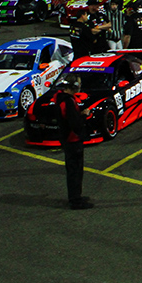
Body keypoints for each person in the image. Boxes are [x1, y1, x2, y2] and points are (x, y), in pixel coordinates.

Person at [53, 77, 96, 209]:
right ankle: (75, 200)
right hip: (73, 140)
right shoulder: (68, 102)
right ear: (75, 86)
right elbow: (75, 124)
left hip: (68, 140)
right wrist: (84, 115)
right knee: (75, 172)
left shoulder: (60, 99)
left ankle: (76, 196)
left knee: (73, 171)